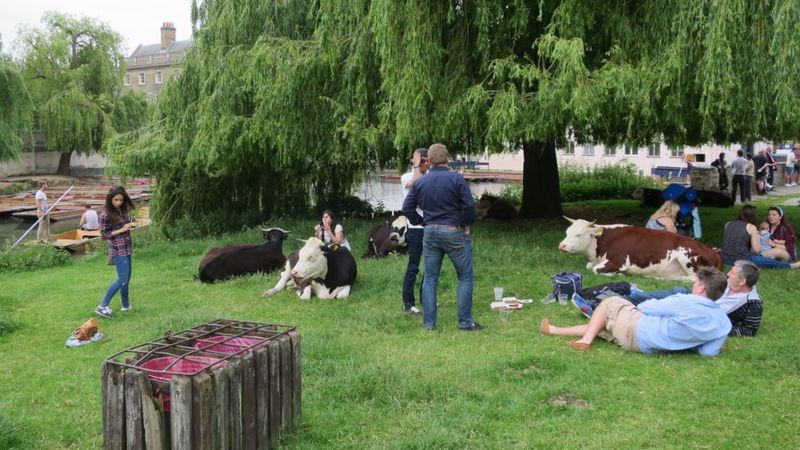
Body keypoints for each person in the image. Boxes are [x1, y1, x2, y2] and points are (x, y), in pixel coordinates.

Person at [541, 267, 731, 355]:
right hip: (646, 347)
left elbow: (646, 307)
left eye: (696, 283)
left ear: (701, 288)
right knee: (604, 323)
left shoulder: (685, 300)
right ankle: (554, 330)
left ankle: (585, 340)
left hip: (639, 330)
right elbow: (708, 352)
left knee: (610, 302)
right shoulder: (724, 322)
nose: (694, 285)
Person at [402, 143, 481, 331]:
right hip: (453, 231)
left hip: (430, 233)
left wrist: (422, 222)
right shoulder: (456, 179)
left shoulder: (421, 182)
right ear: (448, 159)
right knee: (465, 277)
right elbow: (469, 206)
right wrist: (466, 224)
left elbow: (407, 208)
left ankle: (429, 324)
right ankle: (465, 322)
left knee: (430, 278)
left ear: (429, 161)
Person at [572, 260, 763, 337]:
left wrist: (720, 328)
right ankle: (601, 305)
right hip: (690, 297)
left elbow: (750, 330)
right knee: (643, 298)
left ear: (742, 281)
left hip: (697, 310)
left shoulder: (752, 304)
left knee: (647, 309)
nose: (728, 274)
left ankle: (604, 310)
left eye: (733, 273)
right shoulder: (728, 284)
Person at [95, 186, 137, 319]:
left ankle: (125, 305)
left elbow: (122, 224)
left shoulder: (121, 210)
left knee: (127, 278)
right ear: (110, 199)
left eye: (121, 200)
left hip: (127, 247)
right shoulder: (105, 214)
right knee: (122, 278)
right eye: (116, 200)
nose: (118, 202)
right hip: (118, 249)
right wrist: (123, 229)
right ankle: (102, 306)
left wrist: (131, 222)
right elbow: (104, 235)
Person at [721, 205, 800, 269]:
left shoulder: (728, 224)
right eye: (769, 214)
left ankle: (784, 263)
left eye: (774, 215)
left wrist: (774, 244)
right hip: (743, 257)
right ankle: (789, 266)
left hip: (725, 258)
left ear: (780, 217)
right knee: (767, 261)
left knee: (775, 253)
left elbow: (790, 247)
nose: (770, 217)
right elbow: (757, 250)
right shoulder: (759, 226)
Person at [400, 148, 430, 315]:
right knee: (414, 266)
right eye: (422, 161)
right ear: (415, 161)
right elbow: (415, 185)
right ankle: (408, 303)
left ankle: (426, 298)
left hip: (430, 225)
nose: (425, 164)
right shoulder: (406, 177)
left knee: (430, 265)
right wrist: (417, 166)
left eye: (427, 161)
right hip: (415, 228)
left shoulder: (430, 177)